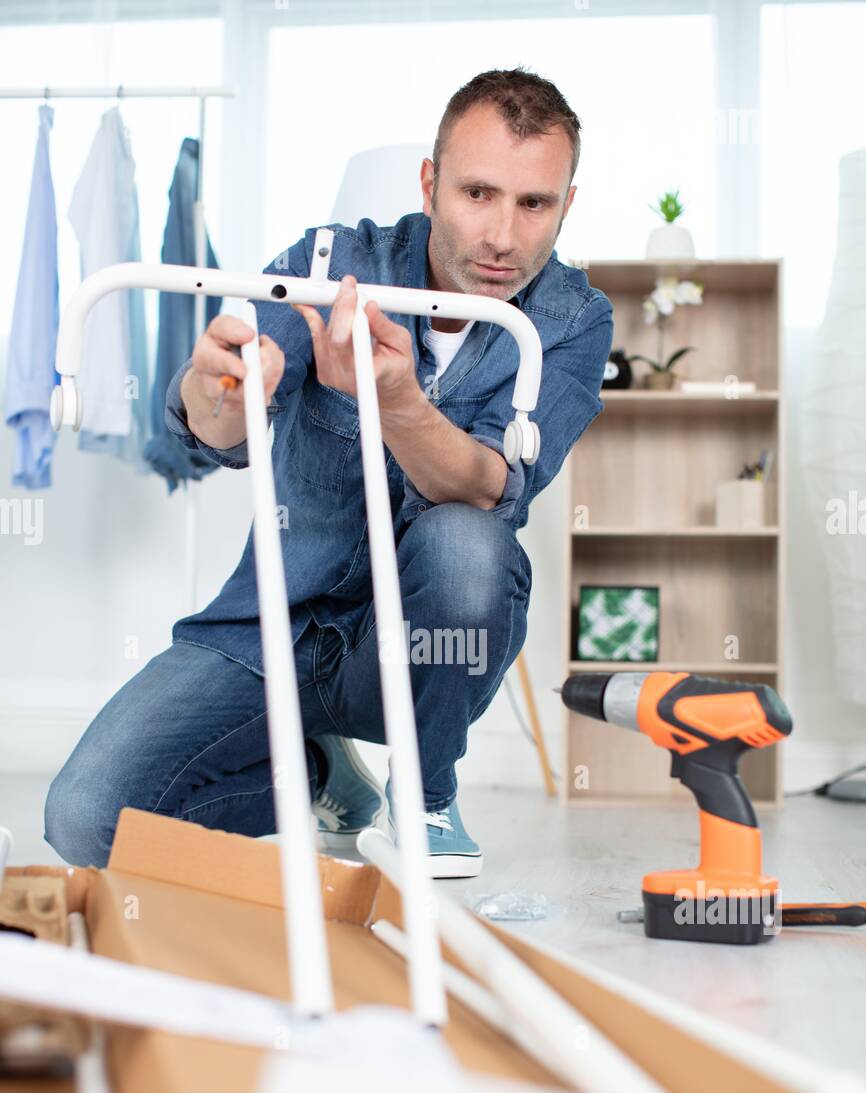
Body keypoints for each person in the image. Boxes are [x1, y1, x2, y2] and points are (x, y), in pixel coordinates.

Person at [44, 66, 613, 879]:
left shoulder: (572, 320)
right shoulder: (329, 262)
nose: (502, 237)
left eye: (535, 205)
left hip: (408, 652)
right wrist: (216, 391)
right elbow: (217, 427)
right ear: (430, 183)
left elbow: (488, 486)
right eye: (478, 194)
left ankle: (425, 794)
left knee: (465, 544)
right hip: (270, 630)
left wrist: (400, 402)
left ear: (567, 205)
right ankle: (317, 774)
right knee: (84, 819)